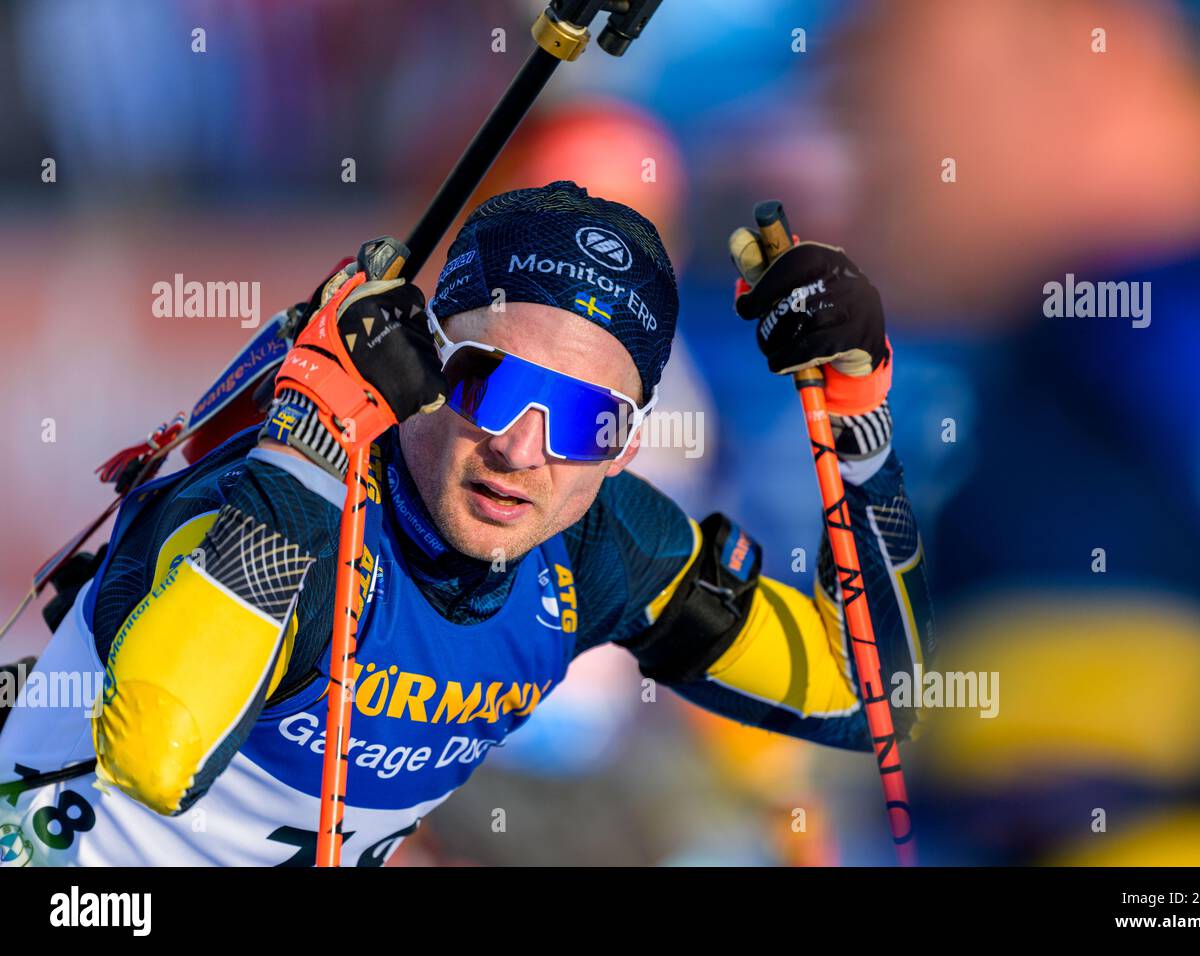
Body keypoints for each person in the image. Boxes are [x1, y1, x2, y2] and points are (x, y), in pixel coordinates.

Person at [0, 180, 934, 866]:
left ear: (626, 447)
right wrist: (303, 452)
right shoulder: (282, 503)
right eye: (491, 384)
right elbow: (159, 756)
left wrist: (859, 430)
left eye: (585, 421)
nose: (523, 451)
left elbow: (875, 703)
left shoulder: (600, 543)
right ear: (426, 364)